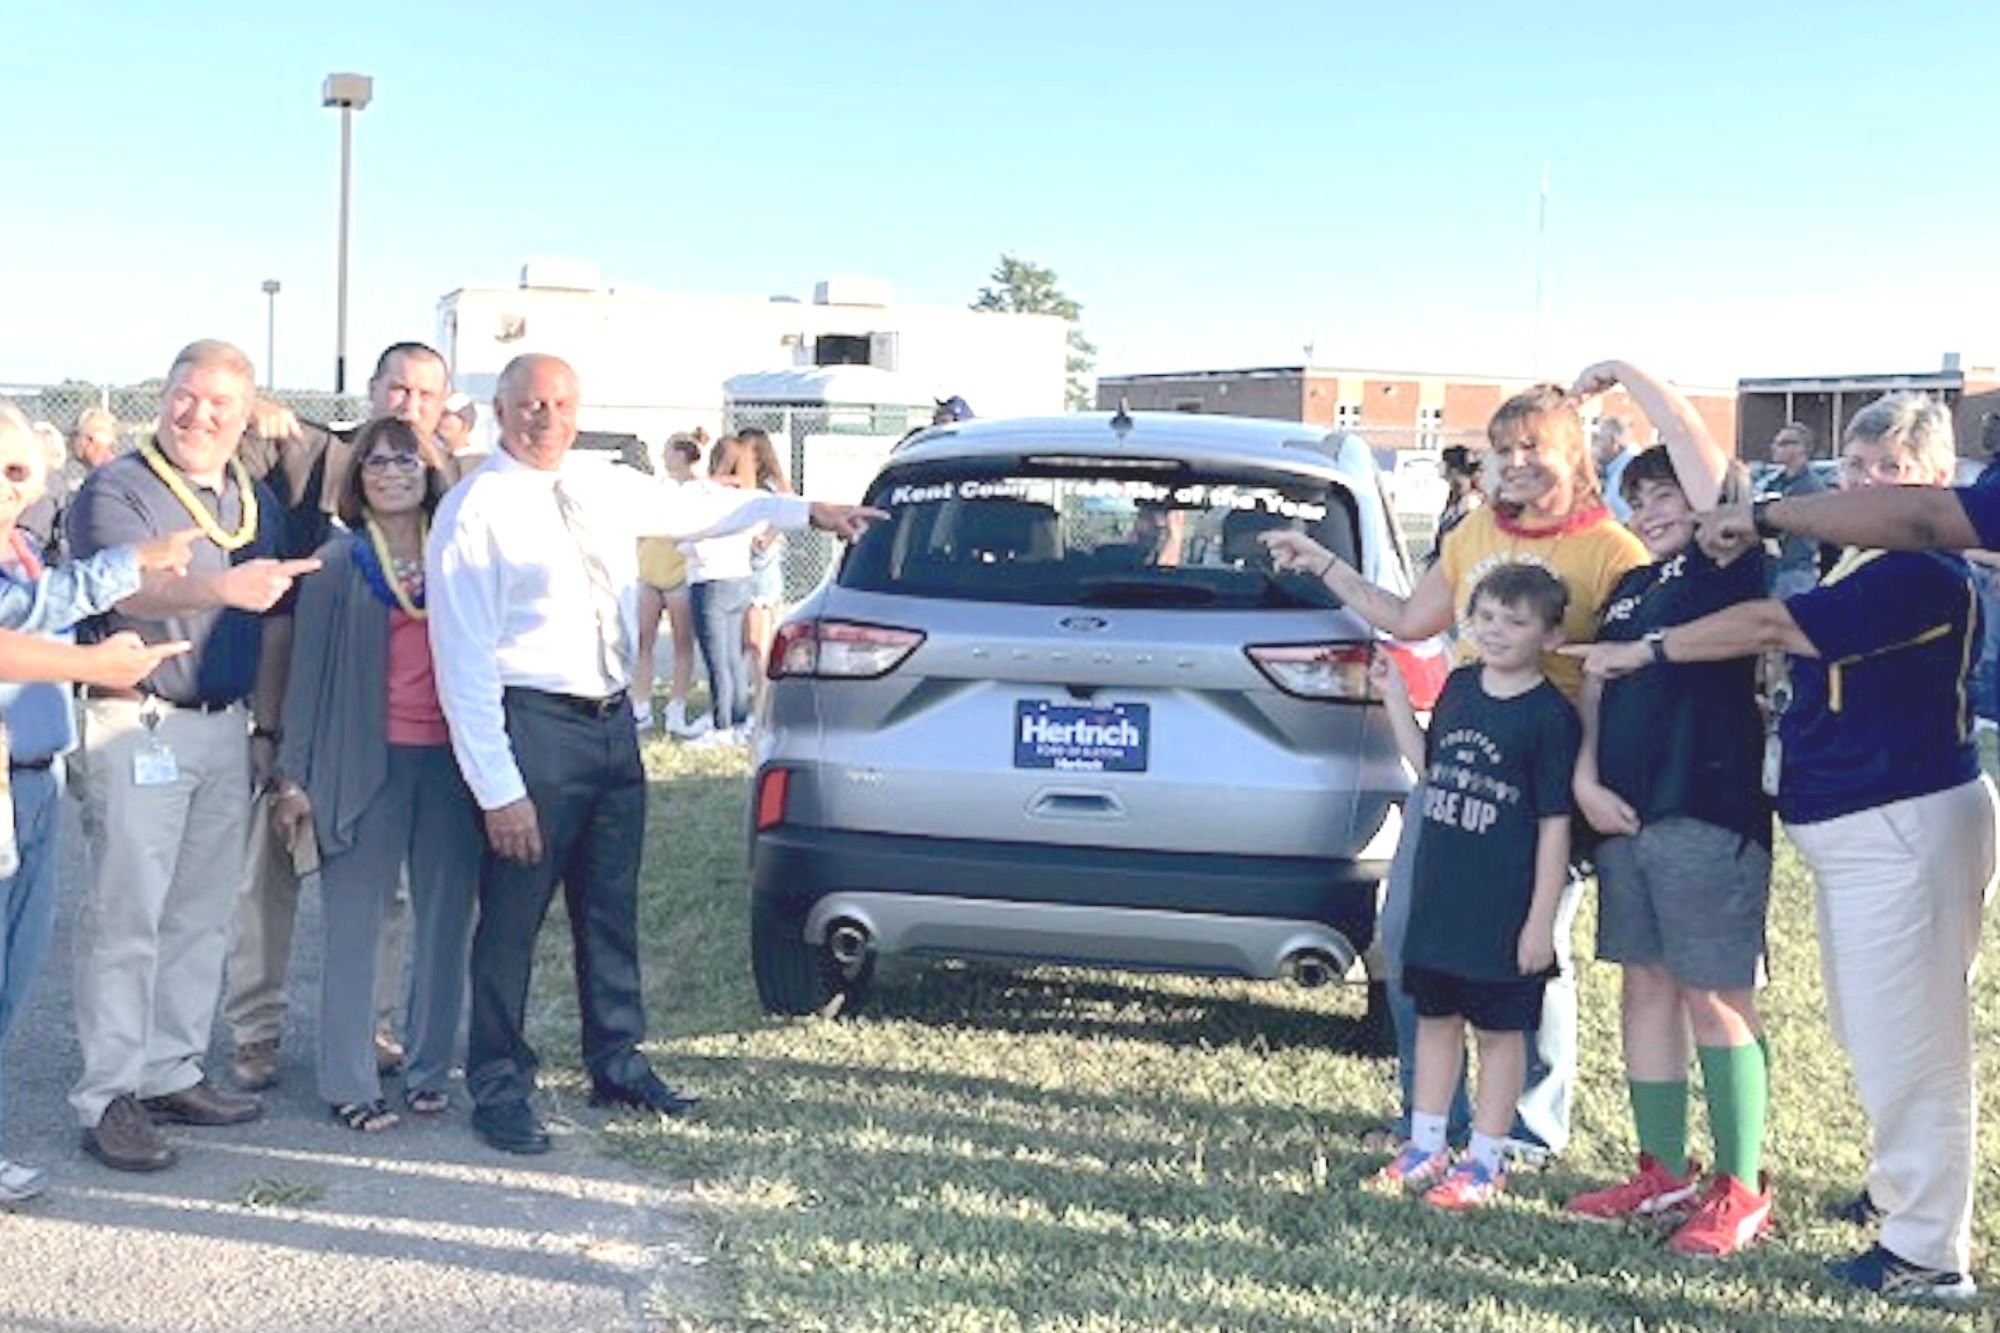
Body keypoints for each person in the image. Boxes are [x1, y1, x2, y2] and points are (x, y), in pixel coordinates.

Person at [1577, 391, 1993, 1302]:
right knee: (1872, 1030)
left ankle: (1927, 1251)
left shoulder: (1921, 569)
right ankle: (1897, 1193)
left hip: (1904, 819)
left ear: (1934, 480)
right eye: (1856, 465)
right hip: (1861, 823)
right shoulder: (1862, 563)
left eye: (1890, 470)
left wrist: (1649, 652)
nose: (1865, 483)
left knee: (1912, 1044)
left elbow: (1771, 626)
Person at [425, 352, 880, 1155]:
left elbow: (696, 507)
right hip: (531, 725)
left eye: (562, 402)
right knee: (511, 922)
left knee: (609, 906)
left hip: (608, 728)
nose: (547, 417)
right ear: (499, 408)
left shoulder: (599, 481)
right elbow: (461, 664)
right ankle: (498, 1082)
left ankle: (618, 1061)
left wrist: (810, 510)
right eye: (530, 403)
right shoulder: (474, 510)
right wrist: (499, 790)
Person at [1264, 381, 1648, 1166]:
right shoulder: (1474, 528)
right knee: (1411, 934)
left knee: (1532, 950)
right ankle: (1428, 1119)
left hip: (1546, 772)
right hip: (1458, 765)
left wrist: (1593, 773)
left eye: (1531, 447)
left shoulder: (1613, 550)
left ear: (1574, 452)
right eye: (1502, 449)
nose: (1512, 464)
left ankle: (1525, 1132)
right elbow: (1410, 619)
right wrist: (1324, 564)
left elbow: (1640, 663)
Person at [65, 339, 318, 1172]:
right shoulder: (118, 486)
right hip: (140, 722)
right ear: (162, 396)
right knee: (127, 911)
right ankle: (108, 1094)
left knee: (203, 910)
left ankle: (171, 1066)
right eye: (185, 395)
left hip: (224, 725)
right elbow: (121, 586)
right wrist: (221, 587)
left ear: (245, 417)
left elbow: (275, 617)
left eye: (220, 404)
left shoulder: (248, 496)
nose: (198, 415)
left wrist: (266, 728)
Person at [1555, 366, 1775, 1257]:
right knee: (1643, 984)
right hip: (1626, 811)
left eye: (1664, 493)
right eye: (1636, 497)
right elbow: (1599, 688)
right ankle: (1661, 1169)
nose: (1648, 510)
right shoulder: (1632, 587)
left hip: (1706, 804)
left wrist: (1626, 369)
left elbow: (1692, 440)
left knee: (1712, 994)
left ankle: (1740, 1185)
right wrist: (1588, 782)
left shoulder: (1726, 554)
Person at [226, 340, 467, 1095]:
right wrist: (282, 750)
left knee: (426, 915)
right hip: (331, 735)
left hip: (446, 759)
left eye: (425, 396)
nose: (407, 406)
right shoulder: (309, 473)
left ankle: (400, 1047)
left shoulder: (459, 529)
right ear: (370, 390)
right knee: (281, 888)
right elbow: (221, 444)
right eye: (396, 388)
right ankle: (263, 1033)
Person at [0, 404, 200, 1202]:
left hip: (36, 778)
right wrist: (90, 662)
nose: (8, 490)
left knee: (13, 977)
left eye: (18, 474)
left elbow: (38, 611)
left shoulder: (16, 548)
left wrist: (129, 567)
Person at [264, 418, 481, 1131]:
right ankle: (348, 1079)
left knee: (447, 922)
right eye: (376, 461)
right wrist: (293, 774)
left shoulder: (462, 558)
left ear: (431, 470)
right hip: (365, 762)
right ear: (356, 479)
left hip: (452, 762)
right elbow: (304, 677)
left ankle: (426, 1067)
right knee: (355, 925)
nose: (391, 470)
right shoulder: (337, 562)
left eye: (406, 458)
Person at [1364, 564, 1577, 1209]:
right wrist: (1397, 698)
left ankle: (1486, 1158)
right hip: (1441, 892)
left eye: (1515, 622)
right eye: (1485, 618)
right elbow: (1428, 768)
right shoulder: (1458, 688)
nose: (1497, 632)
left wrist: (1540, 920)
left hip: (1503, 905)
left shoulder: (1549, 718)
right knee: (1434, 1019)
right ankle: (1426, 1147)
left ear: (1549, 634)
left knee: (1499, 1032)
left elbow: (1554, 826)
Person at [682, 436, 761, 745]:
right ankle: (740, 720)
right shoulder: (745, 495)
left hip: (710, 579)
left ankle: (722, 725)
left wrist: (684, 544)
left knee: (717, 660)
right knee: (733, 658)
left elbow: (693, 542)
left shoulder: (707, 496)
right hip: (740, 577)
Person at [632, 434, 707, 738]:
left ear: (681, 454)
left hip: (679, 572)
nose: (663, 457)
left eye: (667, 451)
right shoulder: (657, 487)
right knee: (642, 642)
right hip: (650, 570)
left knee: (681, 645)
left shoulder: (698, 489)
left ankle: (676, 707)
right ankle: (641, 707)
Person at [738, 427, 794, 715]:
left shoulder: (768, 486)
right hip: (759, 569)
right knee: (754, 641)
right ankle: (759, 699)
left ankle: (761, 704)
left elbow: (785, 514)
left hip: (760, 569)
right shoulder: (751, 485)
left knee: (758, 641)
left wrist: (766, 538)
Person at [1760, 423, 1828, 598]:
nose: (1774, 447)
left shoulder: (1811, 487)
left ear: (1800, 448)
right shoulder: (1774, 483)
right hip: (1773, 570)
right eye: (1775, 442)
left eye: (1782, 443)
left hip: (1797, 572)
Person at [1429, 444, 1484, 565]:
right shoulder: (1454, 499)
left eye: (1443, 462)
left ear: (1453, 469)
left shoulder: (1471, 502)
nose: (1438, 466)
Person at [1594, 416, 1641, 523]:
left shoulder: (1629, 469)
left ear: (1614, 442)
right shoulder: (1611, 470)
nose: (1594, 446)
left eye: (1598, 439)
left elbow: (1620, 513)